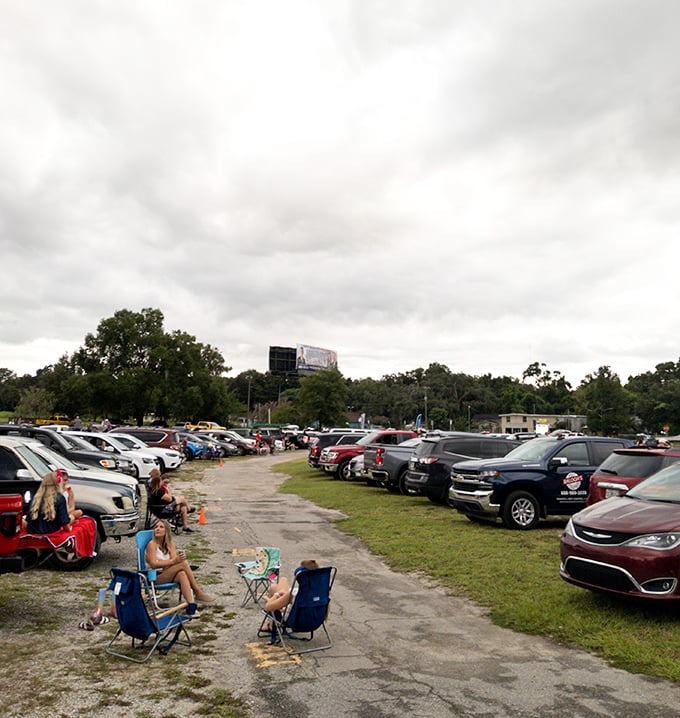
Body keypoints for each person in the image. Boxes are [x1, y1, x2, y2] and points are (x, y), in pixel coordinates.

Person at [144, 520, 215, 605]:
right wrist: (172, 561)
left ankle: (191, 606)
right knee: (183, 564)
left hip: (167, 573)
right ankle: (197, 591)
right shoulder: (152, 544)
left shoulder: (170, 544)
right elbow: (153, 564)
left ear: (166, 531)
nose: (157, 529)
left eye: (161, 527)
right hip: (155, 577)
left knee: (182, 574)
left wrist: (173, 561)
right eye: (156, 527)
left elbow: (174, 562)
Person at [147, 467, 195, 532]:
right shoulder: (158, 492)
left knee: (183, 507)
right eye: (161, 481)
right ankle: (189, 509)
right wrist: (168, 489)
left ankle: (185, 527)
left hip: (160, 508)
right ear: (158, 483)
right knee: (182, 499)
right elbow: (169, 499)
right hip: (164, 510)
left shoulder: (152, 489)